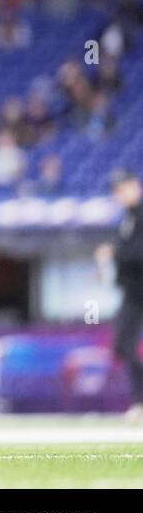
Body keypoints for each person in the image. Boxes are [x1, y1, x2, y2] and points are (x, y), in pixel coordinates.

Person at [98, 173, 143, 422]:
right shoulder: (127, 218)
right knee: (123, 345)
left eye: (124, 188)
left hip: (139, 289)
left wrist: (115, 252)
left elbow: (136, 251)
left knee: (125, 344)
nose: (120, 194)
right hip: (133, 291)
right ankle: (139, 401)